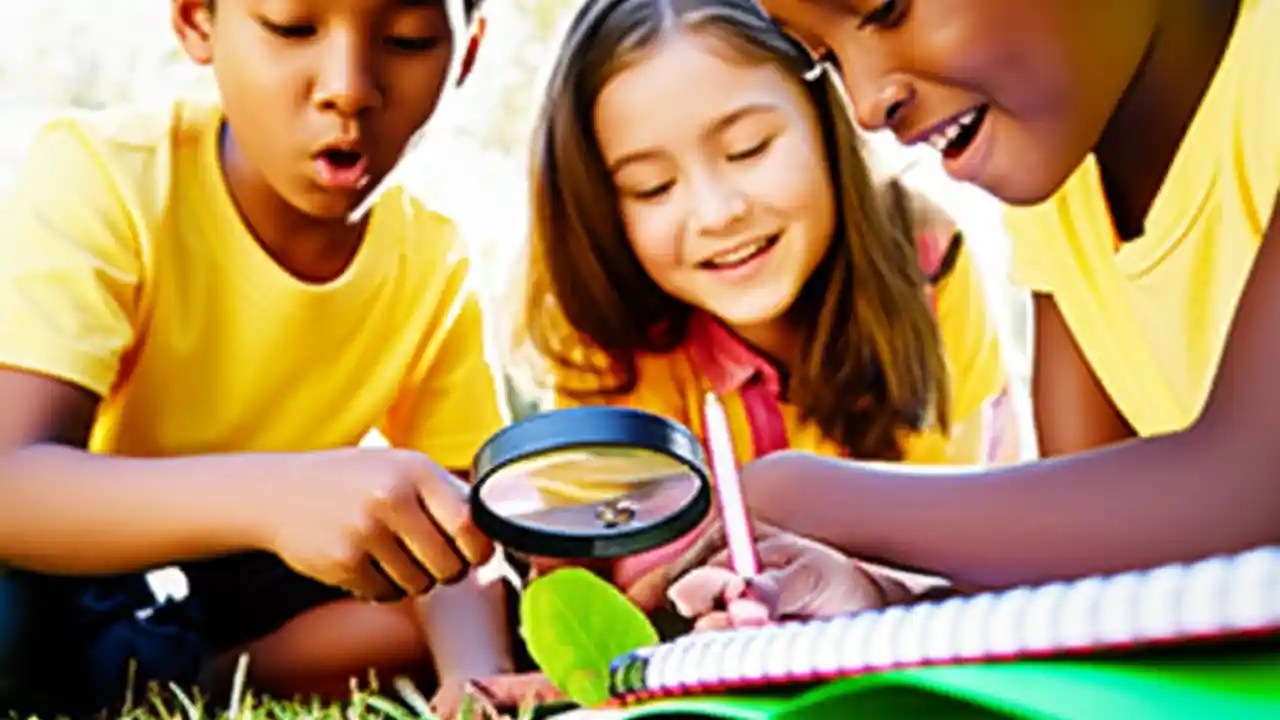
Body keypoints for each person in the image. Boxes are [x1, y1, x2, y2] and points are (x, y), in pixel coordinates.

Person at [668, 0, 1280, 627]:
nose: (866, 106)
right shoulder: (1065, 187)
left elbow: (1256, 489)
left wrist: (805, 494)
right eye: (824, 60)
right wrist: (879, 603)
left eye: (884, 9)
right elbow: (1100, 574)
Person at [0, 0, 512, 714]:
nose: (348, 87)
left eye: (408, 40)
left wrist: (477, 673)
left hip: (261, 585)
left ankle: (201, 676)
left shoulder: (433, 256)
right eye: (292, 28)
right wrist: (273, 499)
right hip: (87, 556)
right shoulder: (106, 178)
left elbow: (456, 526)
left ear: (464, 54)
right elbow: (9, 485)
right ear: (196, 22)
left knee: (485, 604)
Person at [515, 0, 1021, 614]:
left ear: (825, 117)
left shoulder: (926, 262)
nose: (717, 211)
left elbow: (954, 536)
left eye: (750, 149)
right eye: (653, 187)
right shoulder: (605, 339)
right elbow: (598, 587)